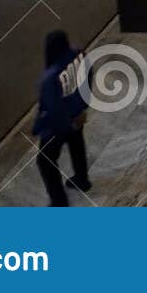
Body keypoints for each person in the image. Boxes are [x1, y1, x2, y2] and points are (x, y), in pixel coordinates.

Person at [33, 29, 91, 206]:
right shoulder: (79, 55)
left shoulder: (50, 77)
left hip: (59, 125)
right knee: (76, 145)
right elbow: (88, 77)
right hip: (77, 113)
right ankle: (82, 179)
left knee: (45, 161)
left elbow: (53, 108)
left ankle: (59, 202)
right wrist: (82, 107)